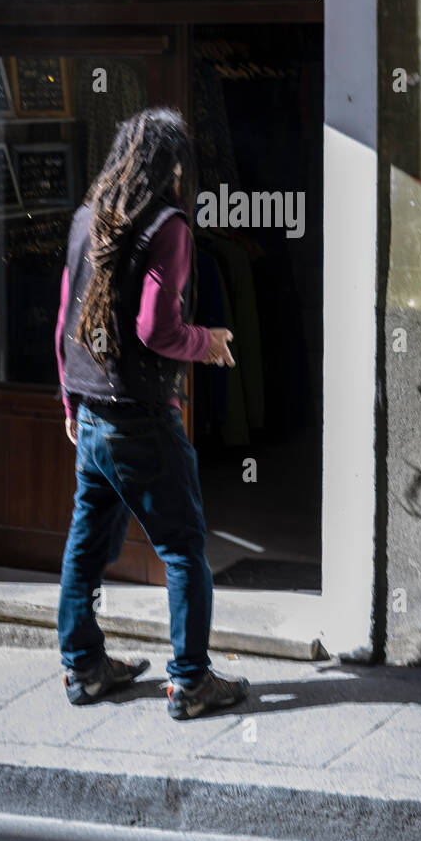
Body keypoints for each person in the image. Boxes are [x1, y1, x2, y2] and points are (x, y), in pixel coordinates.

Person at [55, 106, 249, 720]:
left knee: (87, 544)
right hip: (140, 418)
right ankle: (191, 682)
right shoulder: (168, 227)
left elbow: (66, 324)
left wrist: (69, 401)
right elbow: (157, 328)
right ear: (172, 168)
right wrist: (209, 342)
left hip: (91, 414)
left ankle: (85, 669)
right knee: (184, 547)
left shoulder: (87, 218)